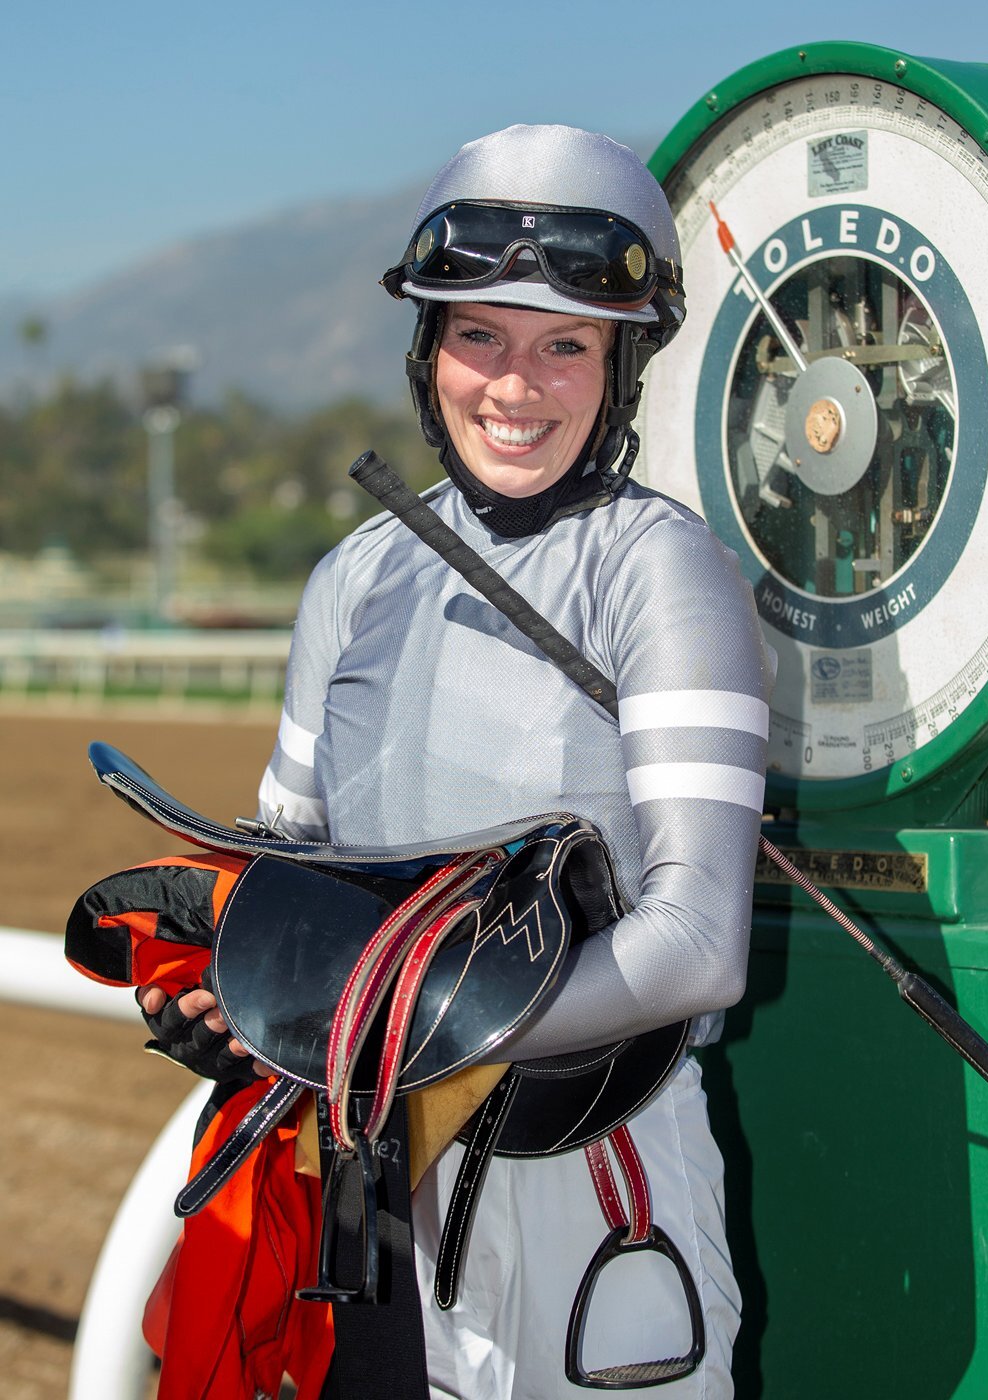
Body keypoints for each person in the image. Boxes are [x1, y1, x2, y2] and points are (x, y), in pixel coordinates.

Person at [138, 123, 774, 1399]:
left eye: (565, 345)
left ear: (621, 364)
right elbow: (291, 870)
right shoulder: (352, 576)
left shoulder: (664, 568)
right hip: (372, 1189)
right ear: (427, 349)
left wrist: (373, 1034)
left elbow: (697, 945)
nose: (514, 385)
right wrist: (236, 995)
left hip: (595, 1180)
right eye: (479, 334)